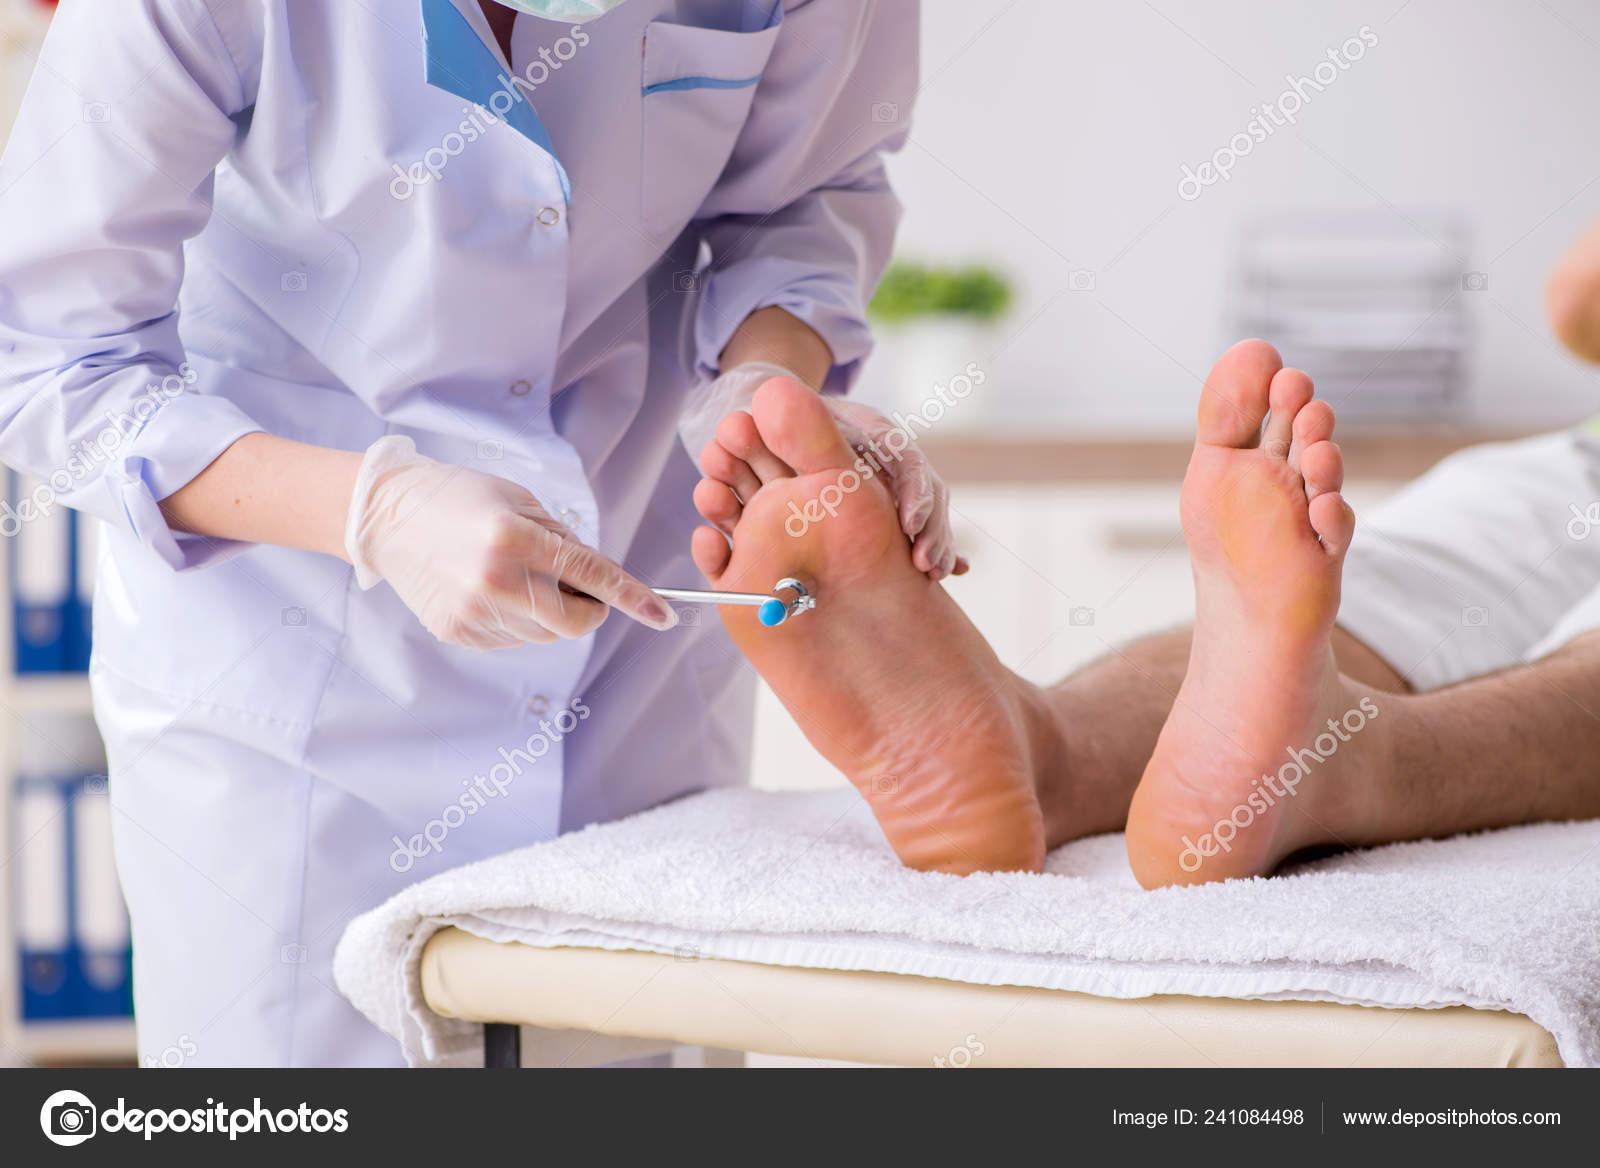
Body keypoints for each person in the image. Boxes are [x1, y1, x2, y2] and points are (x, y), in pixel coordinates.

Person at [0, 0, 946, 1066]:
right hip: (291, 687)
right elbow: (48, 361)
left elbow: (805, 201)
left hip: (635, 659)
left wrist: (768, 394)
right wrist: (374, 511)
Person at [692, 248, 1600, 884]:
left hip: (1557, 464)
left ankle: (1331, 754)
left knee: (1390, 602)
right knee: (1356, 600)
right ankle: (1043, 749)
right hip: (1573, 458)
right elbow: (1579, 300)